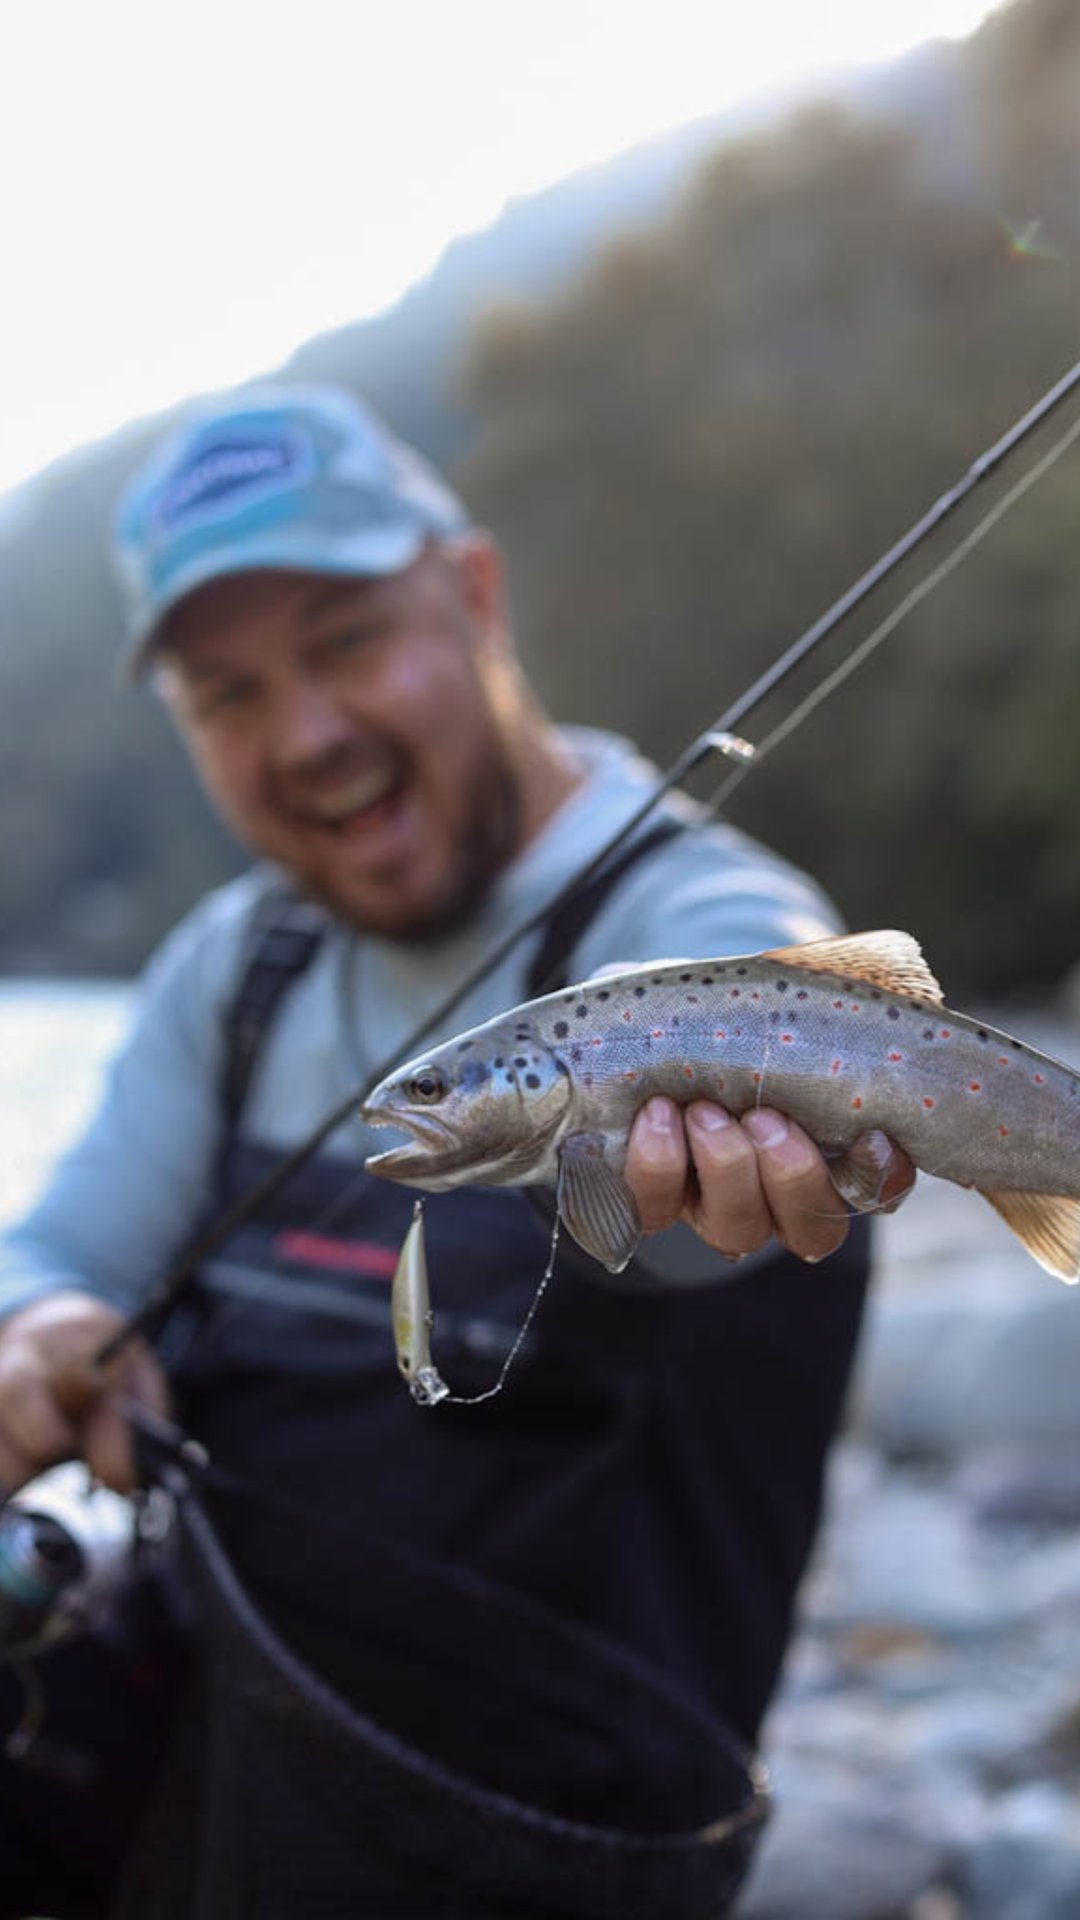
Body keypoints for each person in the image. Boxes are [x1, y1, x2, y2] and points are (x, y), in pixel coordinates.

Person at [0, 386, 912, 1917]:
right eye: (229, 695)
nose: (309, 733)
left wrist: (728, 1138)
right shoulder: (237, 966)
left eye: (350, 641)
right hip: (204, 1734)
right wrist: (42, 1324)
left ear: (475, 594)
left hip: (532, 1836)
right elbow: (62, 1246)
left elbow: (744, 1037)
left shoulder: (695, 916)